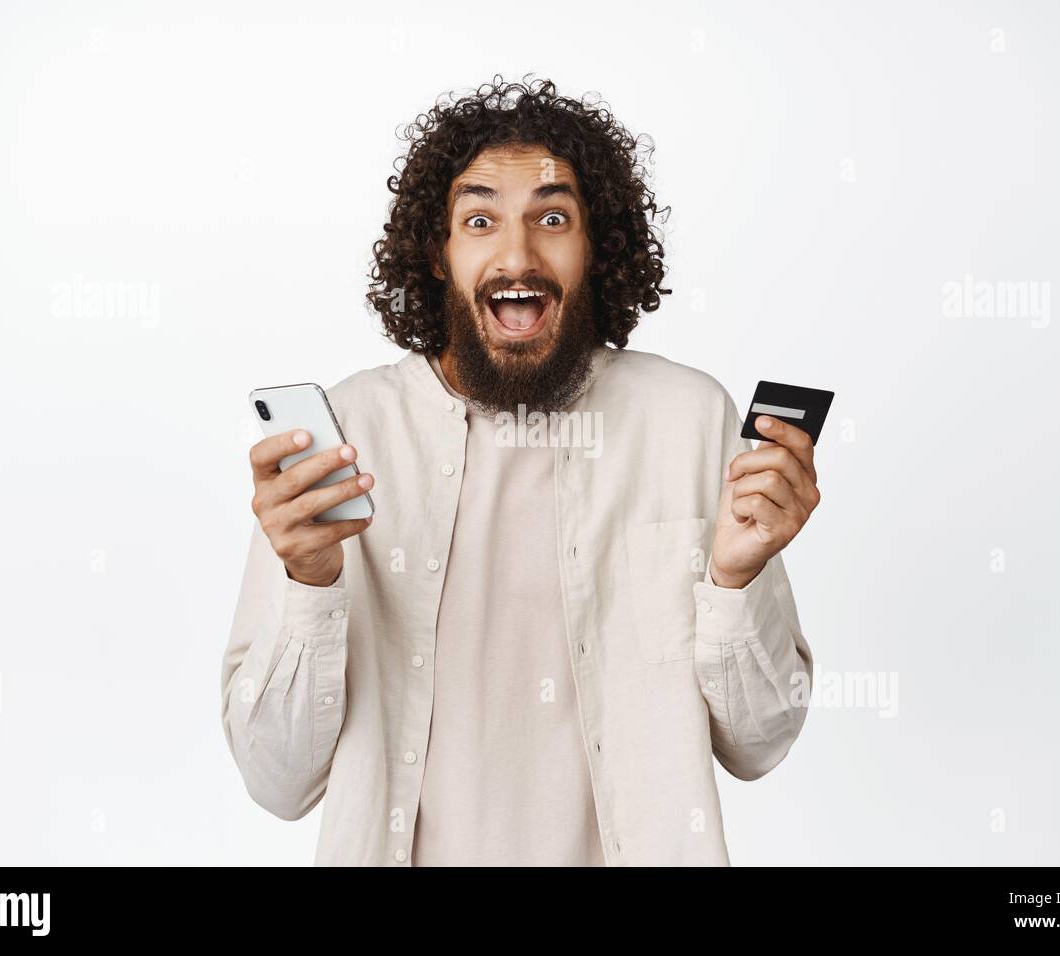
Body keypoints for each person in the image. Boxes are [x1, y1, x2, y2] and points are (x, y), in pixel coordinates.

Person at [221, 76, 819, 866]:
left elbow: (760, 743)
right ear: (437, 255)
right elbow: (278, 781)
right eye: (479, 220)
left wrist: (737, 582)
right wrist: (308, 581)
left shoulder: (689, 420)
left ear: (594, 246)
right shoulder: (349, 437)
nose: (516, 253)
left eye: (552, 217)